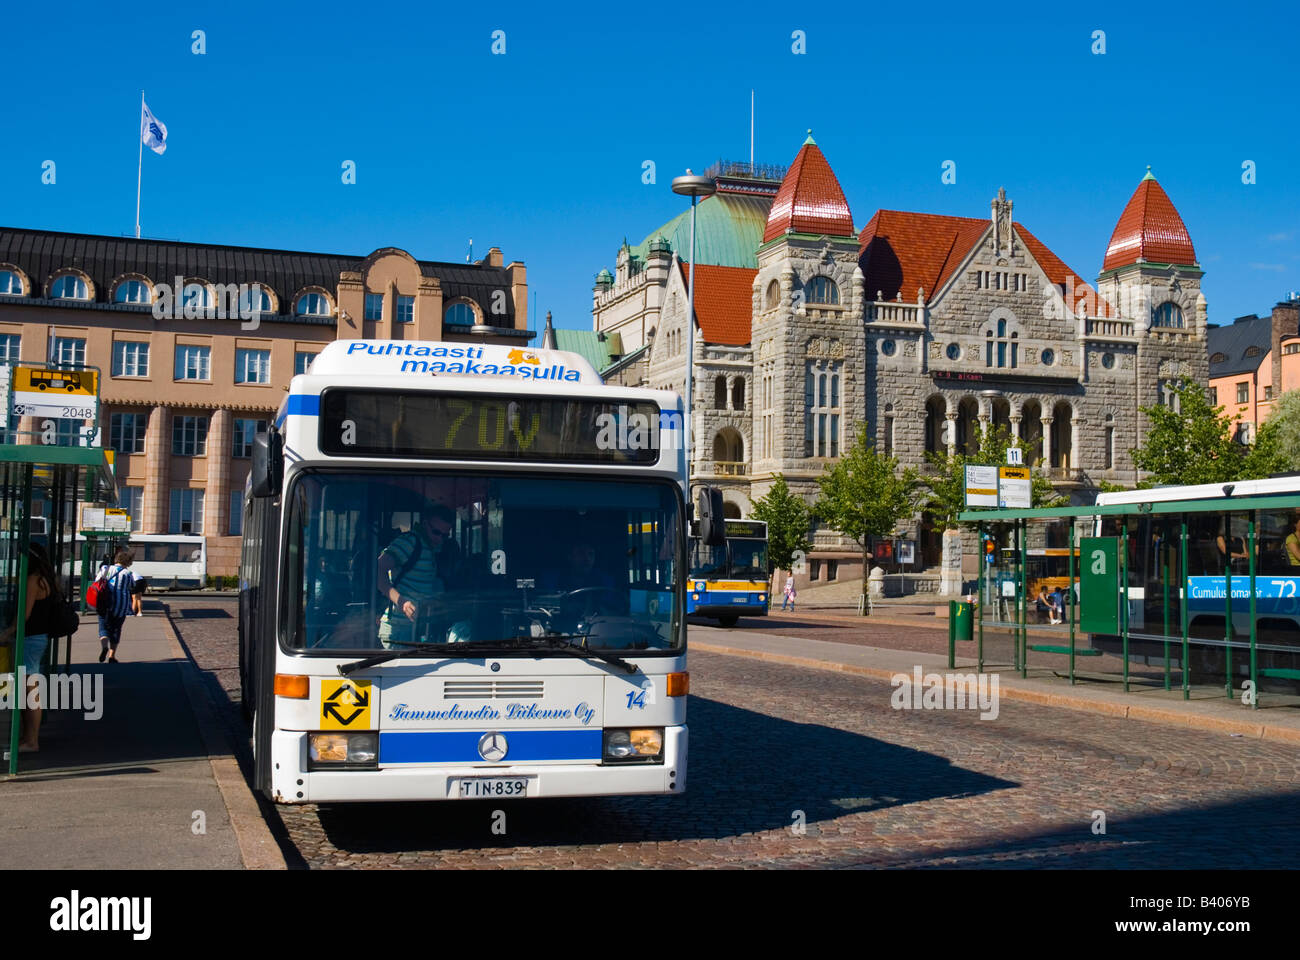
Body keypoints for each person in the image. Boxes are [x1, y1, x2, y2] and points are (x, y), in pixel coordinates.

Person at [0, 544, 63, 752]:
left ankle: (30, 741)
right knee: (31, 691)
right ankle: (29, 739)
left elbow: (24, 615)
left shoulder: (32, 581)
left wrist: (8, 632)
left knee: (29, 693)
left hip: (29, 639)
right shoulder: (47, 580)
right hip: (39, 638)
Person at [376, 504, 455, 648]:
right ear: (425, 524)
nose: (440, 539)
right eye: (436, 532)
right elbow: (377, 570)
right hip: (398, 629)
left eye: (445, 535)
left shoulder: (429, 548)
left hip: (414, 627)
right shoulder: (410, 542)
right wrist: (401, 602)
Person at [98, 550, 137, 663]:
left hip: (104, 605)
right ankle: (111, 656)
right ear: (128, 562)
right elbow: (132, 587)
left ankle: (104, 645)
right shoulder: (127, 574)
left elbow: (97, 582)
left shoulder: (105, 569)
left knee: (103, 628)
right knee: (116, 630)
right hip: (120, 607)